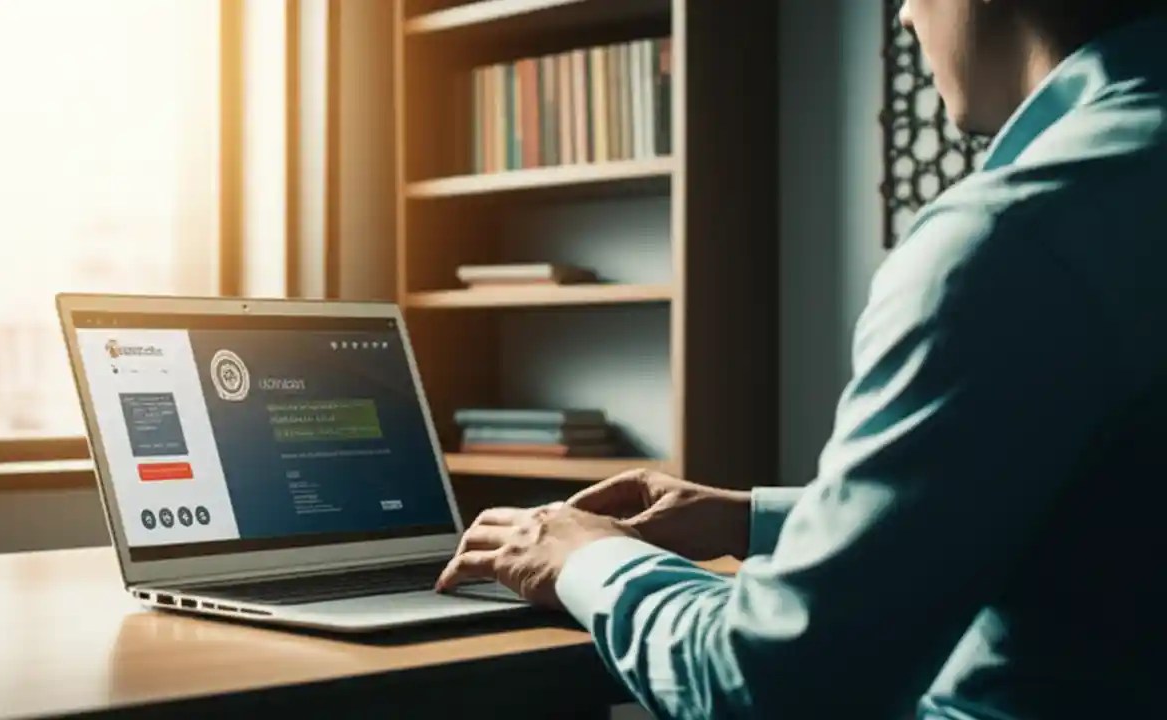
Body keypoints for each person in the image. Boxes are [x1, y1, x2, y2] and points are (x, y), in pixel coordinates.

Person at [436, 0, 1167, 717]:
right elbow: (1085, 520)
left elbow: (768, 687)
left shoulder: (1002, 243)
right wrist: (751, 521)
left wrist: (585, 558)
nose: (905, 16)